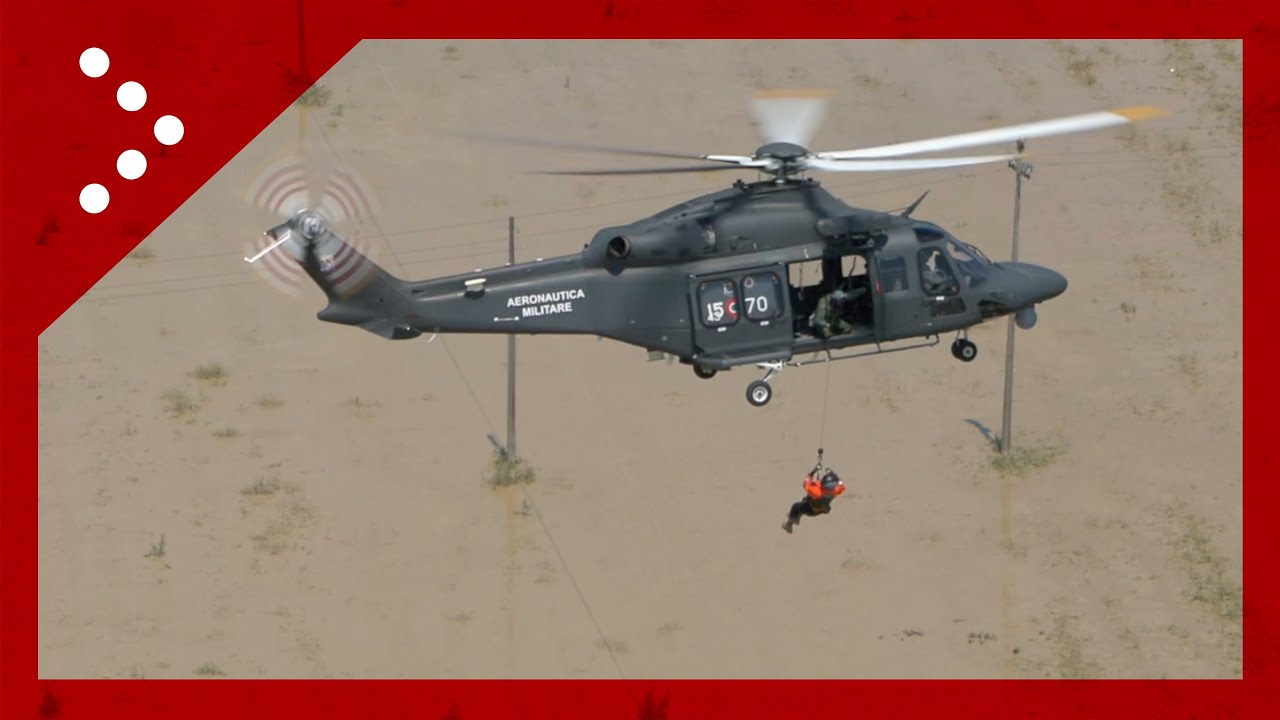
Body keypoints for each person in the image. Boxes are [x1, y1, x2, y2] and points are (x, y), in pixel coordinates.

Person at [782, 459, 846, 534]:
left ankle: (789, 524)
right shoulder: (836, 490)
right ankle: (796, 516)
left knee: (795, 507)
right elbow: (840, 484)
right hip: (824, 509)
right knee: (804, 500)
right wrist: (832, 473)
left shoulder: (816, 491)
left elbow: (806, 483)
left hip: (811, 510)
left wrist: (814, 471)